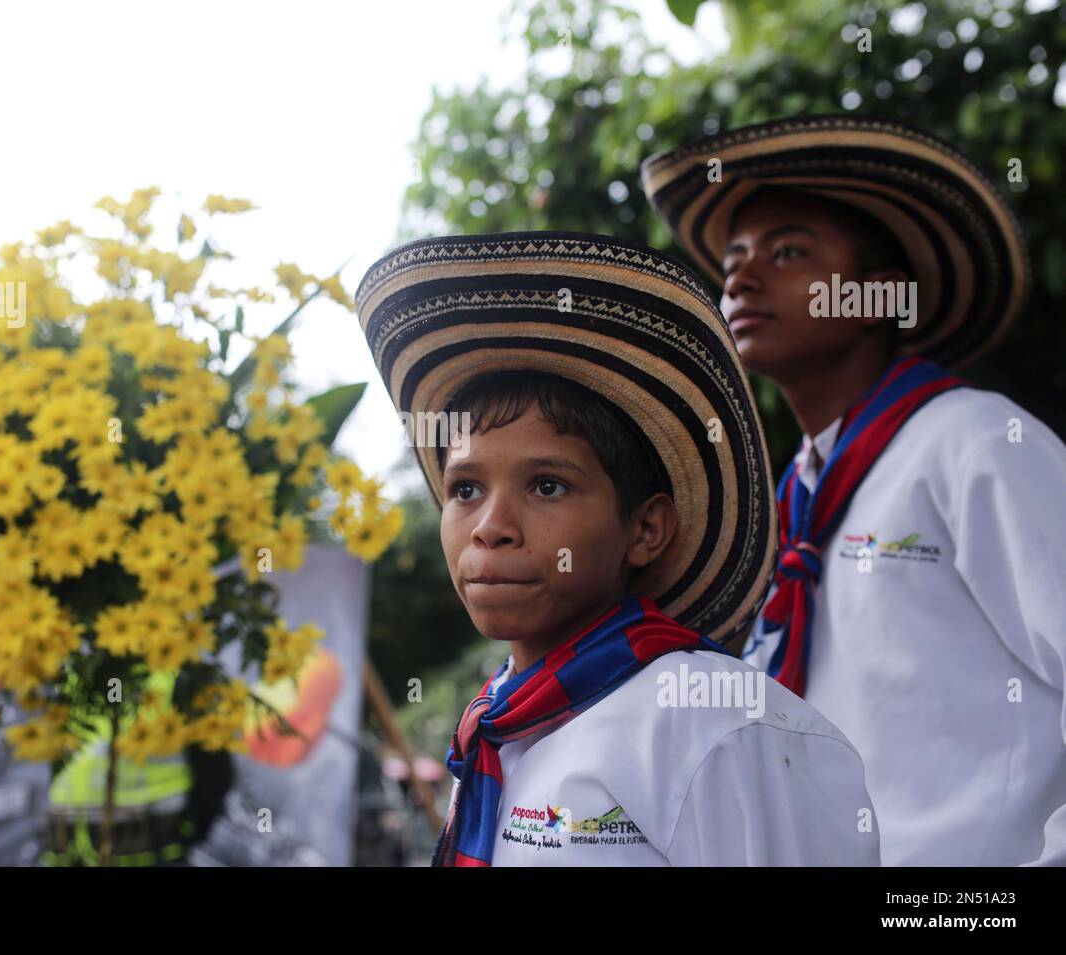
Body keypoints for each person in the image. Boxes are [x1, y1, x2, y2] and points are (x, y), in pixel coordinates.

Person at [353, 231, 880, 866]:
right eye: (465, 488)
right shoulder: (497, 725)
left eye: (547, 485)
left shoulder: (711, 726)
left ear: (646, 529)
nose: (491, 526)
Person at [642, 115, 1066, 865]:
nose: (739, 277)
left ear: (880, 296)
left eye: (789, 251)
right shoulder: (789, 509)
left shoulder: (977, 444)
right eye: (735, 257)